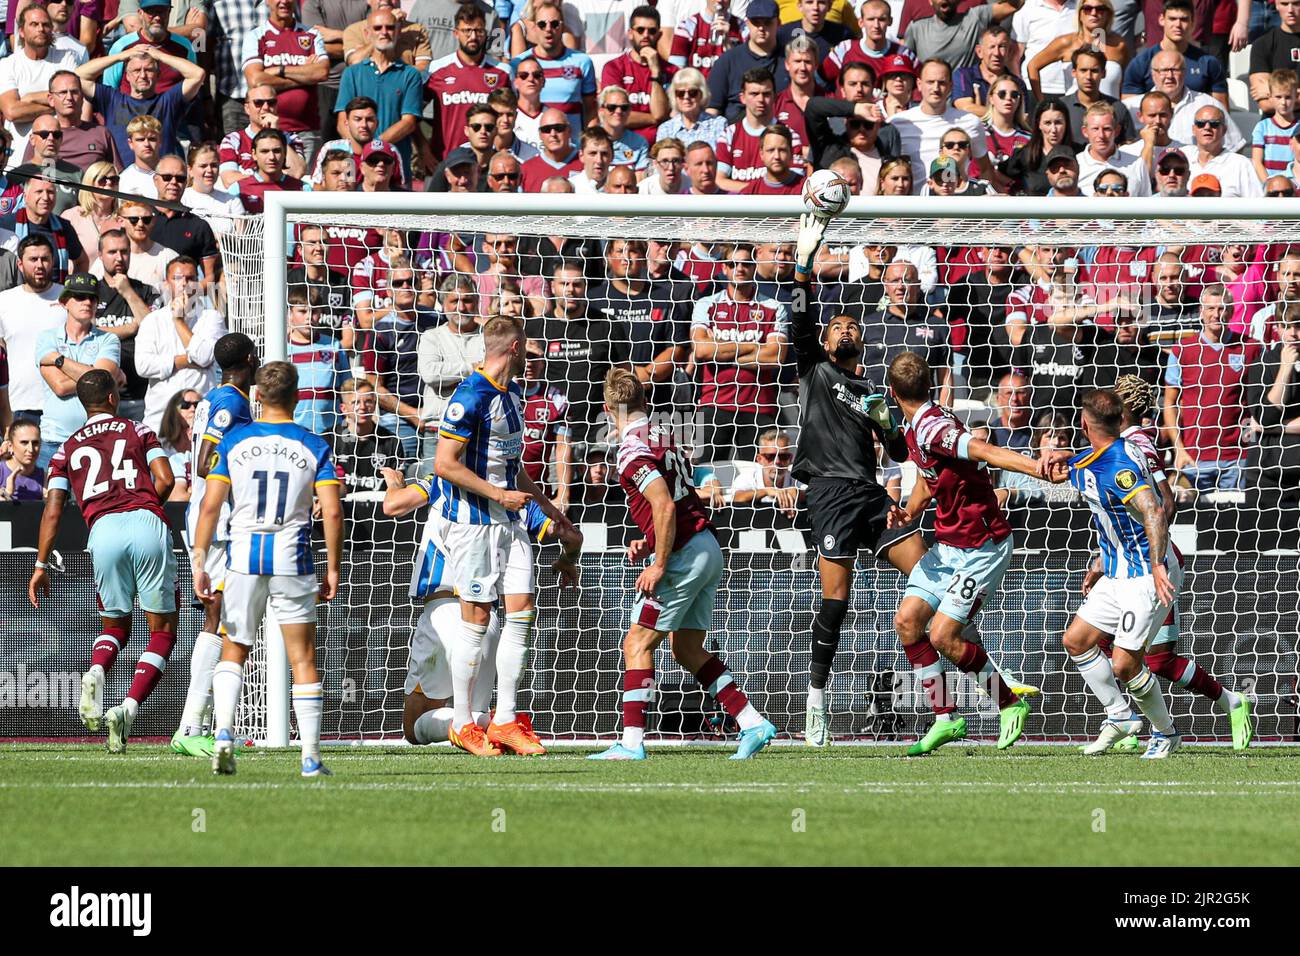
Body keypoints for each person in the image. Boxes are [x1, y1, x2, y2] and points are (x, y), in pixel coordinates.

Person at [588, 368, 777, 761]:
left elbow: (663, 503)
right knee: (687, 648)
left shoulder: (629, 449)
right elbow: (676, 498)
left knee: (636, 643)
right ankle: (753, 722)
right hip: (707, 545)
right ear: (645, 401)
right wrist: (652, 539)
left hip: (685, 554)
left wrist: (658, 562)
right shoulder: (663, 436)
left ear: (609, 409)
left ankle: (632, 743)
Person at [887, 349, 1064, 751]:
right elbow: (930, 479)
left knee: (943, 636)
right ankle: (945, 718)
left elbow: (985, 451)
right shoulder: (916, 424)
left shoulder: (934, 428)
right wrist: (909, 511)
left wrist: (1037, 468)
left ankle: (1009, 703)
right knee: (908, 621)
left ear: (894, 392)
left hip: (983, 545)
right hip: (949, 544)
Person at [194, 361, 344, 778]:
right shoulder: (313, 444)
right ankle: (311, 757)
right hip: (292, 555)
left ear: (256, 396)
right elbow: (331, 512)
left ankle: (223, 733)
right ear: (298, 396)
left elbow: (210, 505)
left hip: (243, 555)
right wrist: (333, 567)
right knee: (302, 656)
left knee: (235, 645)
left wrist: (200, 560)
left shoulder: (234, 442)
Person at [432, 314, 572, 756]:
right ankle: (461, 723)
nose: (530, 357)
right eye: (526, 348)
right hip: (473, 524)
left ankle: (506, 719)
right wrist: (496, 493)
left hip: (511, 523)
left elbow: (516, 470)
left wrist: (547, 508)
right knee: (475, 619)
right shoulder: (470, 395)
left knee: (522, 612)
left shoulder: (512, 394)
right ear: (514, 348)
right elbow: (444, 463)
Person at [29, 368, 178, 753]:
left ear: (83, 403)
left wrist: (41, 565)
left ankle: (96, 670)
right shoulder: (138, 430)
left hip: (103, 530)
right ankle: (126, 709)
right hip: (146, 520)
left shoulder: (65, 449)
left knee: (116, 625)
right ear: (113, 398)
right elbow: (166, 479)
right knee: (161, 632)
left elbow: (53, 510)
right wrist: (145, 509)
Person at [381, 462, 579, 748]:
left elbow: (393, 506)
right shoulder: (517, 496)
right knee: (474, 715)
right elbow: (572, 537)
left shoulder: (445, 480)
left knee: (414, 727)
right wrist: (568, 560)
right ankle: (501, 722)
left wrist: (394, 482)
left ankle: (486, 723)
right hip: (491, 623)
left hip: (444, 613)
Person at [1110, 373, 1253, 750]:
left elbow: (1165, 501)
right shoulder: (1126, 443)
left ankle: (1163, 724)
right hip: (1123, 563)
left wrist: (1149, 548)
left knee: (1149, 659)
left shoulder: (1137, 445)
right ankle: (1125, 721)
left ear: (1124, 408)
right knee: (1092, 640)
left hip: (1150, 562)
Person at [1060, 388, 1184, 759]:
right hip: (1117, 572)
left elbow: (1156, 510)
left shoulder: (1120, 465)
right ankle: (1119, 715)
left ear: (1084, 423)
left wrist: (1159, 564)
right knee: (1077, 640)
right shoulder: (1099, 455)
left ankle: (1167, 734)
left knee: (1124, 662)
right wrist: (1100, 562)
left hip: (1146, 574)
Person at [169, 331, 258, 758]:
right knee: (220, 618)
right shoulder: (233, 402)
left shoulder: (211, 397)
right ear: (248, 358)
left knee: (220, 618)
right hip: (218, 520)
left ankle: (197, 724)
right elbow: (206, 461)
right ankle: (191, 726)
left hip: (213, 518)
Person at [690, 242, 788, 463]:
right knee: (707, 474)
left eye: (746, 263)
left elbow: (775, 356)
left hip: (759, 407)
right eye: (733, 263)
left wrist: (722, 351)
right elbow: (702, 350)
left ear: (754, 267)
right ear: (724, 268)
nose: (740, 268)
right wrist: (753, 346)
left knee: (757, 477)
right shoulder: (706, 304)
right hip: (714, 404)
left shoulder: (774, 307)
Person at [1162, 283, 1262, 492]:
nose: (1216, 314)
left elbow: (1259, 398)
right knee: (1192, 520)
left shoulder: (1251, 348)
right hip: (1194, 457)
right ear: (1201, 312)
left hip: (1237, 457)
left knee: (1234, 521)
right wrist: (1179, 449)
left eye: (1222, 308)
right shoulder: (1182, 350)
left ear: (1231, 311)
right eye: (1210, 308)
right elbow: (1169, 402)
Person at [35, 271, 121, 468]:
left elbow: (102, 379)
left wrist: (58, 360)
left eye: (92, 298)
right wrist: (94, 373)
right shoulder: (46, 338)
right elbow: (59, 386)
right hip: (54, 441)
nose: (87, 302)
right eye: (80, 297)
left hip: (98, 440)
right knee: (51, 499)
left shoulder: (109, 339)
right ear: (64, 302)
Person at [134, 255, 227, 433]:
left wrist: (178, 320)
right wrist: (182, 361)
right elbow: (142, 366)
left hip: (200, 418)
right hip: (159, 418)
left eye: (191, 278)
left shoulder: (211, 318)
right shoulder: (152, 321)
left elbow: (204, 357)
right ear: (166, 284)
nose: (184, 283)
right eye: (177, 278)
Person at [335, 5, 423, 180]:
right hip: (354, 163)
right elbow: (342, 122)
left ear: (398, 32)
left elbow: (409, 122)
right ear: (367, 34)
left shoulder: (410, 74)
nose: (384, 32)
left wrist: (375, 148)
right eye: (377, 28)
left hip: (394, 164)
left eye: (390, 27)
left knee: (397, 207)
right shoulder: (352, 73)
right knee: (350, 205)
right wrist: (362, 153)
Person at [78, 44, 205, 162]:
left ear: (158, 74)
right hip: (120, 179)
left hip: (160, 179)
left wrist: (160, 56)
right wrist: (121, 56)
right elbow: (78, 75)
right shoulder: (112, 100)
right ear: (127, 76)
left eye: (149, 70)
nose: (143, 75)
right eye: (137, 70)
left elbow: (197, 74)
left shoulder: (169, 101)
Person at [241, 0, 330, 164]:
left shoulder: (312, 34)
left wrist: (280, 70)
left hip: (307, 132)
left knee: (304, 185)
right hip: (266, 131)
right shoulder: (255, 36)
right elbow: (256, 80)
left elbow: (322, 72)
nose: (285, 1)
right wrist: (305, 76)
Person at [1245, 302, 1300, 550]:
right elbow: (1264, 416)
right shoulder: (1263, 362)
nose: (1293, 333)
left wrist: (1275, 428)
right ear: (1277, 329)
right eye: (1286, 326)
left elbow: (1265, 425)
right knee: (1264, 553)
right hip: (1267, 476)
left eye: (1298, 326)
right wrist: (1285, 368)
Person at [890, 58, 993, 191]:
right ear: (919, 84)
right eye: (930, 82)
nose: (936, 88)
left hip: (955, 206)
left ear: (951, 86)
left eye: (942, 82)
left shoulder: (970, 122)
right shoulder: (898, 123)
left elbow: (985, 169)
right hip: (913, 207)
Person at [424, 5, 509, 163]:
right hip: (444, 163)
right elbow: (411, 115)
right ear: (456, 33)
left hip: (488, 166)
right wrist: (424, 151)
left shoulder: (503, 73)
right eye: (467, 31)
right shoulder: (436, 70)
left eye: (479, 31)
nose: (473, 36)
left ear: (485, 34)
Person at [0, 6, 82, 161]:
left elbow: (75, 99)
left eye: (45, 24)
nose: (41, 29)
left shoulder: (67, 58)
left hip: (62, 152)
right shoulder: (7, 65)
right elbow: (12, 111)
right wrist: (58, 105)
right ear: (22, 31)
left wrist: (29, 98)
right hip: (19, 156)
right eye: (34, 24)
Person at [0, 235, 67, 422]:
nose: (39, 265)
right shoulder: (4, 301)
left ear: (53, 261)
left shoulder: (69, 298)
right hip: (17, 405)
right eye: (33, 259)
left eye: (45, 259)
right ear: (20, 265)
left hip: (62, 404)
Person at [508, 1, 595, 135]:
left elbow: (591, 110)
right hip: (529, 148)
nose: (548, 29)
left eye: (554, 24)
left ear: (562, 26)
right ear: (534, 27)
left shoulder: (582, 62)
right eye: (542, 24)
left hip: (572, 148)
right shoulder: (518, 65)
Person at [1122, 0, 1229, 105]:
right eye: (1172, 19)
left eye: (1184, 19)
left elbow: (1220, 112)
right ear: (1161, 20)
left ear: (1193, 22)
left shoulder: (1209, 63)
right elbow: (1130, 109)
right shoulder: (1141, 63)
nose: (1178, 24)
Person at [1027, 0, 1130, 99]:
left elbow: (1128, 82)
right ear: (1080, 14)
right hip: (1075, 112)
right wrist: (1042, 103)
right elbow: (1033, 66)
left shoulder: (1119, 45)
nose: (1094, 13)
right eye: (1087, 9)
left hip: (1109, 112)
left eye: (1100, 9)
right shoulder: (1066, 43)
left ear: (1108, 14)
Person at [706, 0, 788, 122]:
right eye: (755, 22)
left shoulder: (790, 60)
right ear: (747, 24)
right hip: (736, 134)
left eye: (767, 23)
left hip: (780, 130)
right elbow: (712, 110)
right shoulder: (728, 61)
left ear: (778, 23)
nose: (761, 28)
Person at [600, 5, 671, 143]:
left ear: (659, 34)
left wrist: (655, 71)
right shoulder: (614, 68)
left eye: (651, 31)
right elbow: (614, 116)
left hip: (659, 147)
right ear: (630, 33)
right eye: (640, 30)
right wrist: (654, 118)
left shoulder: (671, 71)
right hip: (622, 145)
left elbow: (664, 113)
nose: (645, 35)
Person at [286, 287, 351, 436]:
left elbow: (347, 388)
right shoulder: (282, 349)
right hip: (294, 430)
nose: (309, 317)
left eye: (314, 312)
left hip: (330, 431)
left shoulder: (333, 345)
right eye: (302, 311)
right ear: (290, 314)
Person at [218, 85, 309, 187]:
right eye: (258, 103)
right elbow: (229, 180)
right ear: (247, 108)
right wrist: (273, 177)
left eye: (271, 103)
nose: (266, 108)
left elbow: (297, 172)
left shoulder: (291, 138)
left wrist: (275, 133)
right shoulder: (232, 140)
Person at [0, 173, 87, 279]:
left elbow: (81, 261)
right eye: (39, 192)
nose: (45, 197)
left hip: (57, 292)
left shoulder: (64, 227)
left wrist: (73, 290)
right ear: (25, 196)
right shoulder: (5, 224)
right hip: (17, 292)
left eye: (50, 192)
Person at [150, 154, 221, 280]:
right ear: (155, 180)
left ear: (186, 182)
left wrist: (190, 293)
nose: (174, 183)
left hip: (184, 295)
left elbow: (210, 278)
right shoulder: (139, 219)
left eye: (180, 179)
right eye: (167, 177)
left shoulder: (198, 225)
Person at [33, 69, 117, 173]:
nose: (69, 97)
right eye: (63, 92)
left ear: (82, 96)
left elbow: (117, 174)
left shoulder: (101, 134)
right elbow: (28, 175)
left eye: (74, 92)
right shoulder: (42, 134)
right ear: (51, 99)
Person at [332, 377, 403, 498]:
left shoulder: (391, 442)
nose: (363, 407)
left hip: (379, 510)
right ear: (343, 409)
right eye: (356, 402)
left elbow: (398, 489)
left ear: (375, 405)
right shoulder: (330, 439)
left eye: (369, 401)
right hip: (343, 510)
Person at [821, 0, 917, 89]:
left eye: (881, 19)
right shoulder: (844, 49)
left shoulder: (903, 54)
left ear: (890, 21)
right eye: (871, 19)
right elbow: (820, 80)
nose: (876, 25)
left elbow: (921, 84)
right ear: (861, 22)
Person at [906, 0, 1023, 70]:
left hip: (965, 99)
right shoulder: (916, 28)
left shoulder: (975, 18)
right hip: (927, 102)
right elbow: (904, 65)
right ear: (930, 1)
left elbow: (1014, 5)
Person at [1183, 103, 1261, 198]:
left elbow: (1255, 204)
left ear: (1224, 130)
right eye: (1201, 123)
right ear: (1193, 129)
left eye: (1214, 124)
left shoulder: (1241, 164)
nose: (1207, 127)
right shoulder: (1182, 157)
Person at [1076, 102, 1151, 195]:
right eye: (1095, 129)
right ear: (1085, 131)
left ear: (1117, 131)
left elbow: (1145, 204)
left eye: (1107, 129)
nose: (1101, 135)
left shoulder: (1137, 164)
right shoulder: (1075, 165)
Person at [229, 128, 305, 215]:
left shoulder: (303, 189)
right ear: (254, 154)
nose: (271, 157)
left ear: (285, 153)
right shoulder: (237, 189)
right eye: (264, 151)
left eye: (277, 151)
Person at [1248, 0, 1300, 115]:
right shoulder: (1262, 44)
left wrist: (1278, 94)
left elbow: (1271, 99)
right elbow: (1265, 105)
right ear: (1276, 4)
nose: (1290, 10)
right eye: (1284, 4)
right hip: (1275, 128)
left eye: (1296, 4)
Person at [657, 66, 728, 148]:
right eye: (680, 93)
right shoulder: (666, 129)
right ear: (674, 96)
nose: (686, 97)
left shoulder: (718, 124)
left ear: (702, 94)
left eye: (692, 92)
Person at [519, 105, 580, 191]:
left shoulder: (586, 163)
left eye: (558, 128)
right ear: (540, 134)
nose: (553, 134)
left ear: (569, 130)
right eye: (546, 129)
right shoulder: (526, 170)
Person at [1255, 70, 1300, 184]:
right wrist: (1269, 185)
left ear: (1296, 96)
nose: (1283, 102)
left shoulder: (1299, 127)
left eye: (1288, 97)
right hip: (1271, 190)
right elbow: (1257, 161)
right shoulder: (1262, 127)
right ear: (1270, 97)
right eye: (1278, 97)